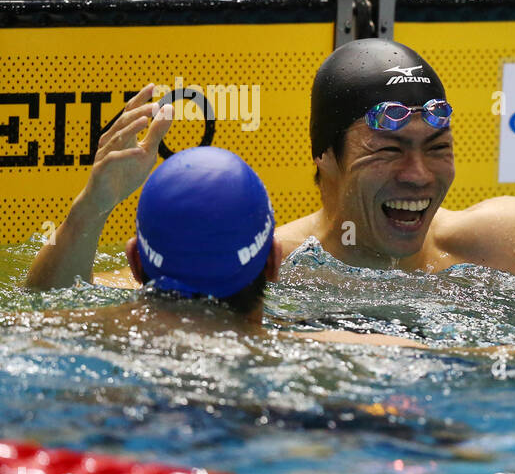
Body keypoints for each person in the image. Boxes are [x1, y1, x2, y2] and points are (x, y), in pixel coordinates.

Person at [23, 101, 418, 348]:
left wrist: (91, 206)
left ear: (135, 263)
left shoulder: (65, 335)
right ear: (274, 262)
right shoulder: (332, 356)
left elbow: (43, 300)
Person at [276, 38, 515, 275]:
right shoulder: (271, 270)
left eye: (437, 148)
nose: (418, 175)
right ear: (324, 154)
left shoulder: (497, 242)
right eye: (389, 150)